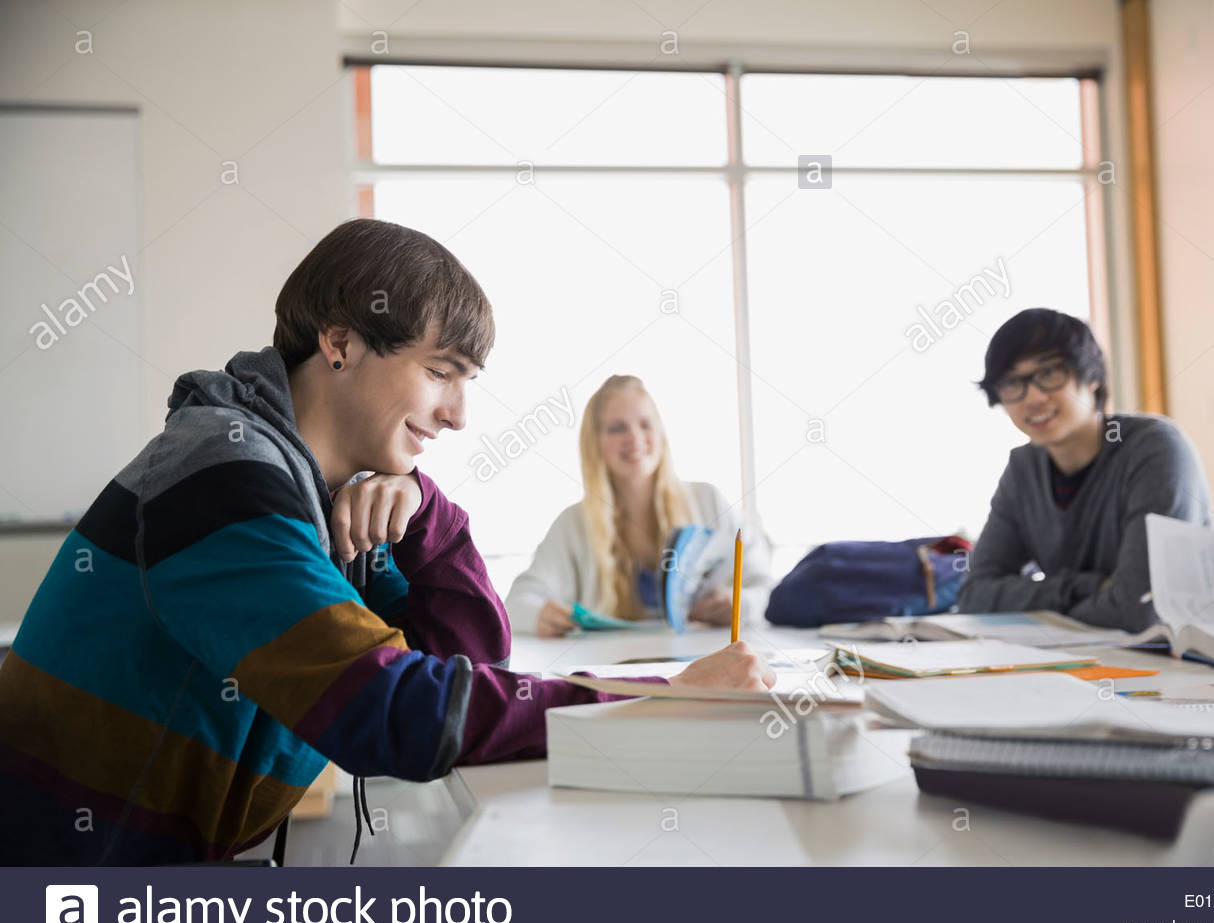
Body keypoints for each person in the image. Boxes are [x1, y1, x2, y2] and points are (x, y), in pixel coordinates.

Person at [0, 219, 773, 865]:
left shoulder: (329, 498)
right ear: (339, 342)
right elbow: (394, 714)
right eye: (441, 372)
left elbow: (464, 659)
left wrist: (427, 514)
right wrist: (657, 697)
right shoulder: (223, 478)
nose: (458, 414)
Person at [956, 307, 1212, 633]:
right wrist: (1086, 587)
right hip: (1083, 662)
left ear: (1091, 378)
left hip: (1184, 666)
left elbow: (1141, 611)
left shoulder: (1155, 448)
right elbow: (974, 596)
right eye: (1012, 383)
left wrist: (1042, 603)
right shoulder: (1023, 469)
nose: (1033, 397)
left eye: (1049, 374)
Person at [505, 374, 773, 637]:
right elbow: (518, 603)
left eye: (645, 424)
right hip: (613, 669)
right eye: (617, 428)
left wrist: (740, 605)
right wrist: (540, 615)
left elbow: (765, 587)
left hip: (702, 664)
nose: (634, 437)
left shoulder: (709, 501)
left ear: (661, 433)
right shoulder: (573, 524)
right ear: (594, 442)